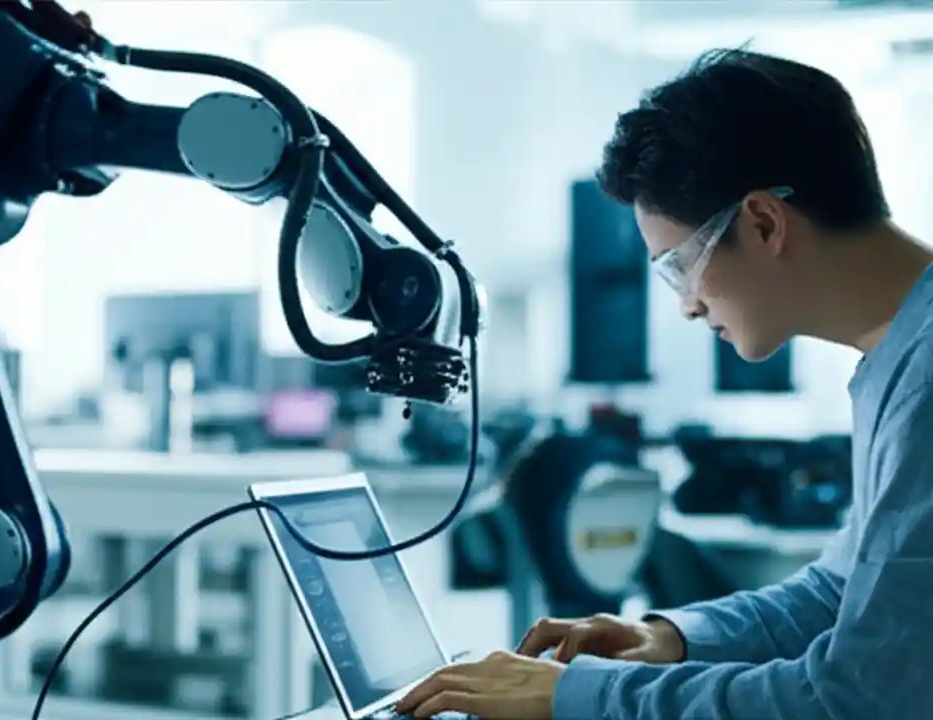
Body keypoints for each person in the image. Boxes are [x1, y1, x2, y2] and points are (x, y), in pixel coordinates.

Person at [396, 47, 933, 720]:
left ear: (763, 223)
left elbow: (855, 700)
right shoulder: (900, 358)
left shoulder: (924, 384)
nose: (687, 306)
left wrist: (574, 696)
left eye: (679, 267)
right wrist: (672, 638)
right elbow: (843, 592)